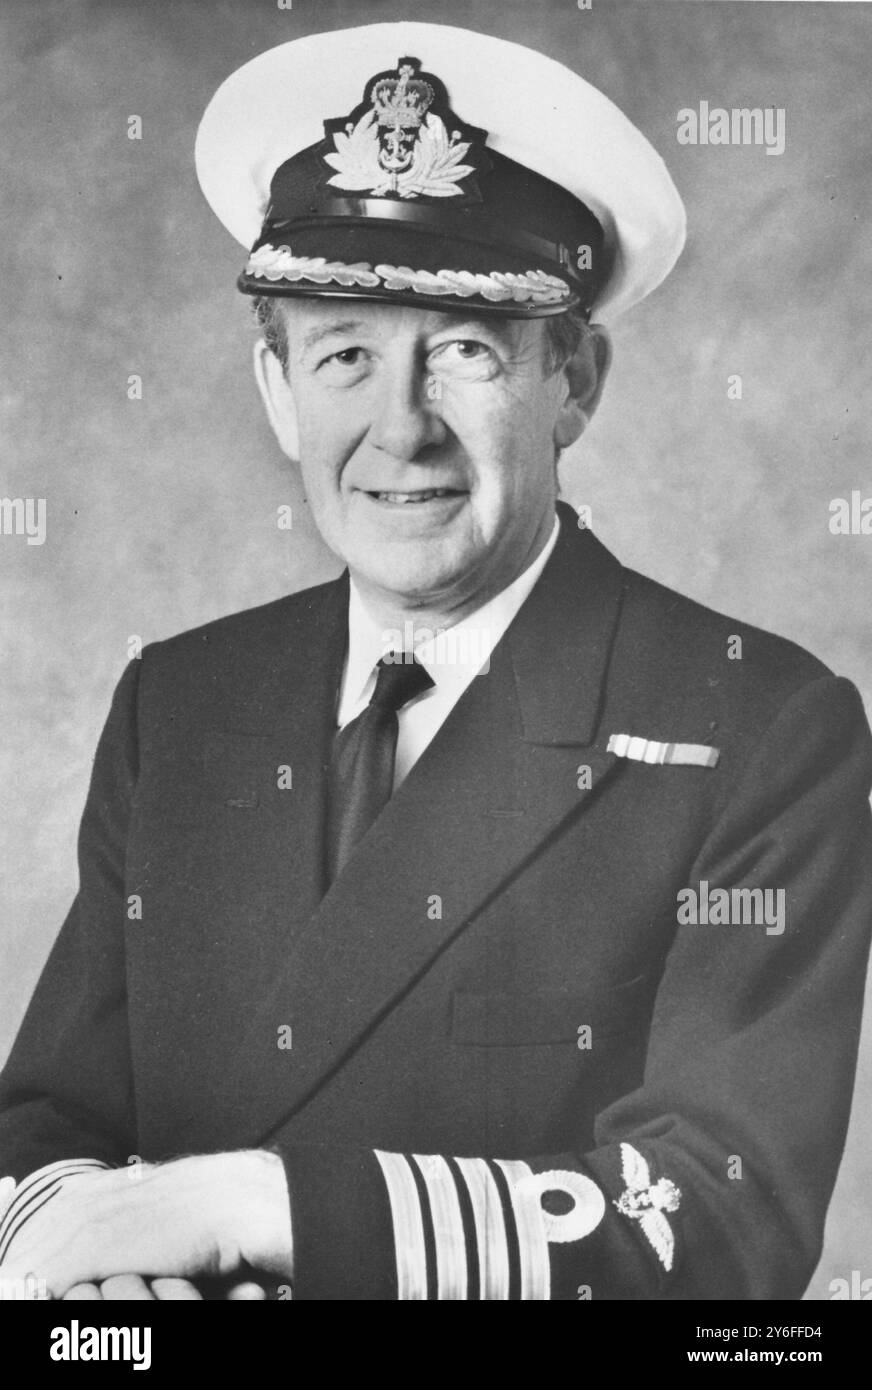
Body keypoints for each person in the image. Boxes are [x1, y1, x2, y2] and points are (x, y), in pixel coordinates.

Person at [1, 20, 870, 1301]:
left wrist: (241, 1204)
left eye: (462, 349)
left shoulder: (759, 726)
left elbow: (718, 1230)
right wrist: (97, 1299)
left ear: (571, 378)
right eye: (344, 352)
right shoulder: (178, 707)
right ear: (276, 386)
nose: (399, 429)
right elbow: (47, 1128)